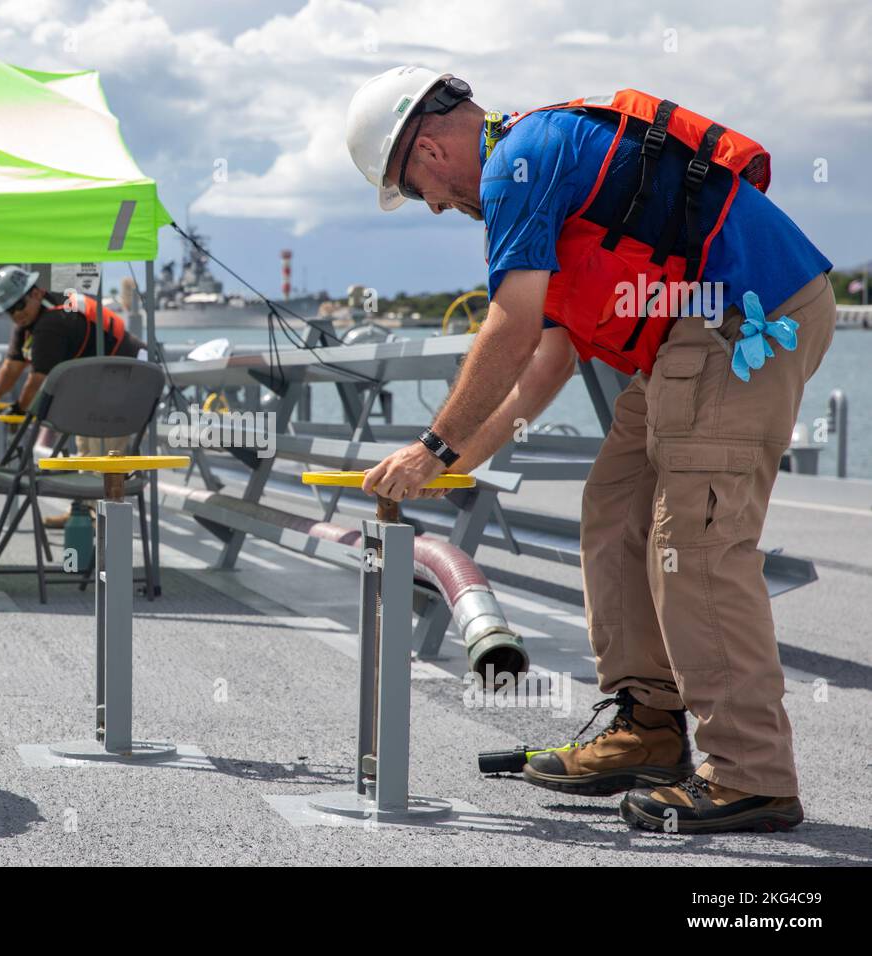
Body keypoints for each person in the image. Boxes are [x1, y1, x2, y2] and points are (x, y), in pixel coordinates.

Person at [346, 67, 835, 833]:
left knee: (696, 545)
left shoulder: (518, 162)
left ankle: (752, 775)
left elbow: (507, 327)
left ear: (428, 150)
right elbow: (547, 357)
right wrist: (460, 457)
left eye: (412, 189)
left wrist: (434, 444)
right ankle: (647, 725)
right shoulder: (530, 162)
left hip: (745, 319)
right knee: (614, 508)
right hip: (688, 334)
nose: (434, 204)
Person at [0, 266, 150, 527]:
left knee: (108, 454)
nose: (16, 314)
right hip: (96, 384)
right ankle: (83, 514)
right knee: (85, 451)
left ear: (35, 293)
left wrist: (19, 409)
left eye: (19, 304)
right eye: (9, 310)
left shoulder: (51, 323)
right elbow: (11, 366)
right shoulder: (30, 320)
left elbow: (36, 380)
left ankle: (108, 526)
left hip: (125, 380)